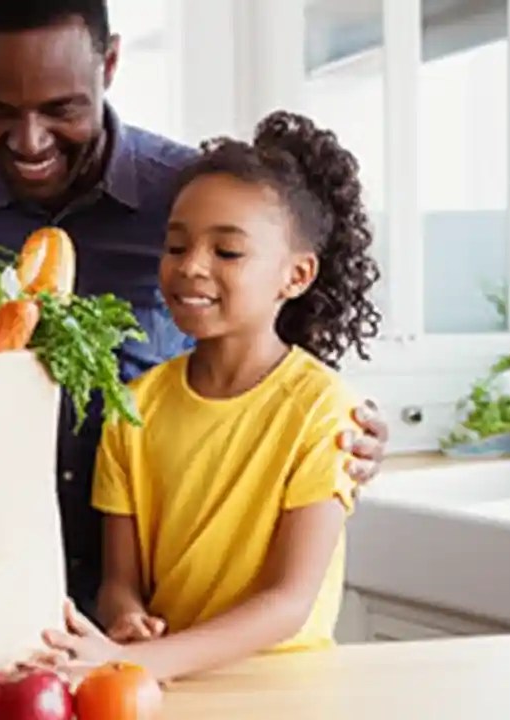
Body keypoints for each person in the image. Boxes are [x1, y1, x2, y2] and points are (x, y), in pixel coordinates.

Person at [0, 0, 391, 620]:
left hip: (160, 610)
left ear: (110, 63)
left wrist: (351, 437)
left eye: (62, 109)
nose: (30, 141)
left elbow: (280, 370)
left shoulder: (192, 199)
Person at [39, 109, 381, 681]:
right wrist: (125, 620)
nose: (191, 267)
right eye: (176, 246)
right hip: (168, 683)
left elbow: (288, 605)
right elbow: (120, 581)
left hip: (284, 688)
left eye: (227, 252)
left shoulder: (323, 411)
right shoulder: (133, 406)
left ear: (295, 276)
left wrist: (135, 659)